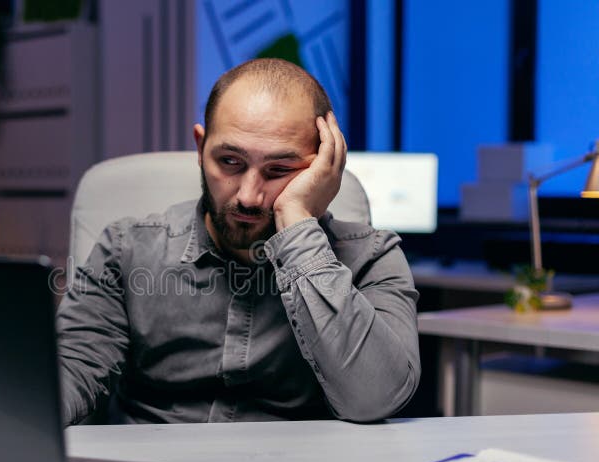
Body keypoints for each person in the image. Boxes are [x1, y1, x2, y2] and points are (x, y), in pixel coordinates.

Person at [57, 58, 420, 425]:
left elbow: (377, 399)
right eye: (230, 161)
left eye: (279, 170)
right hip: (153, 457)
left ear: (323, 168)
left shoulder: (371, 257)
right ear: (201, 148)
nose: (248, 196)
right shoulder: (126, 250)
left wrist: (296, 220)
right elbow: (72, 371)